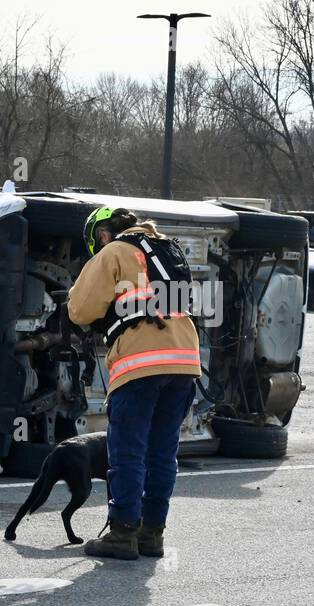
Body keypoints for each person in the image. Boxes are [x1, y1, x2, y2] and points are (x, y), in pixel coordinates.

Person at [69, 207, 202, 560]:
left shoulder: (114, 251)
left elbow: (80, 310)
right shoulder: (169, 249)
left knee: (128, 450)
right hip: (185, 360)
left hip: (141, 363)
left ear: (101, 234)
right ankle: (151, 535)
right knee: (162, 452)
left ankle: (122, 533)